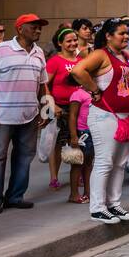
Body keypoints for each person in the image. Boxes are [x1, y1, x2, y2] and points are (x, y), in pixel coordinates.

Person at [69, 19, 129, 226]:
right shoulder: (101, 54)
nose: (126, 37)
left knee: (120, 163)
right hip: (106, 115)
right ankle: (98, 207)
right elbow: (78, 71)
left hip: (127, 117)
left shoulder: (126, 55)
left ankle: (114, 202)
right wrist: (94, 90)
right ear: (108, 36)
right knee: (105, 160)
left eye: (127, 33)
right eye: (121, 33)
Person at [0, 14, 50, 214]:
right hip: (2, 114)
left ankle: (15, 196)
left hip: (29, 114)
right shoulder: (1, 50)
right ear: (20, 29)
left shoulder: (39, 53)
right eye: (34, 27)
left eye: (39, 27)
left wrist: (44, 109)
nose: (38, 30)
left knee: (25, 156)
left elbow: (42, 84)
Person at [44, 26, 83, 193]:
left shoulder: (82, 60)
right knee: (58, 143)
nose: (73, 43)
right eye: (69, 41)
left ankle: (77, 174)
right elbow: (44, 83)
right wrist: (52, 104)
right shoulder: (54, 61)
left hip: (80, 107)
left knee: (78, 141)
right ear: (60, 43)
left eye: (75, 40)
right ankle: (54, 177)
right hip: (60, 108)